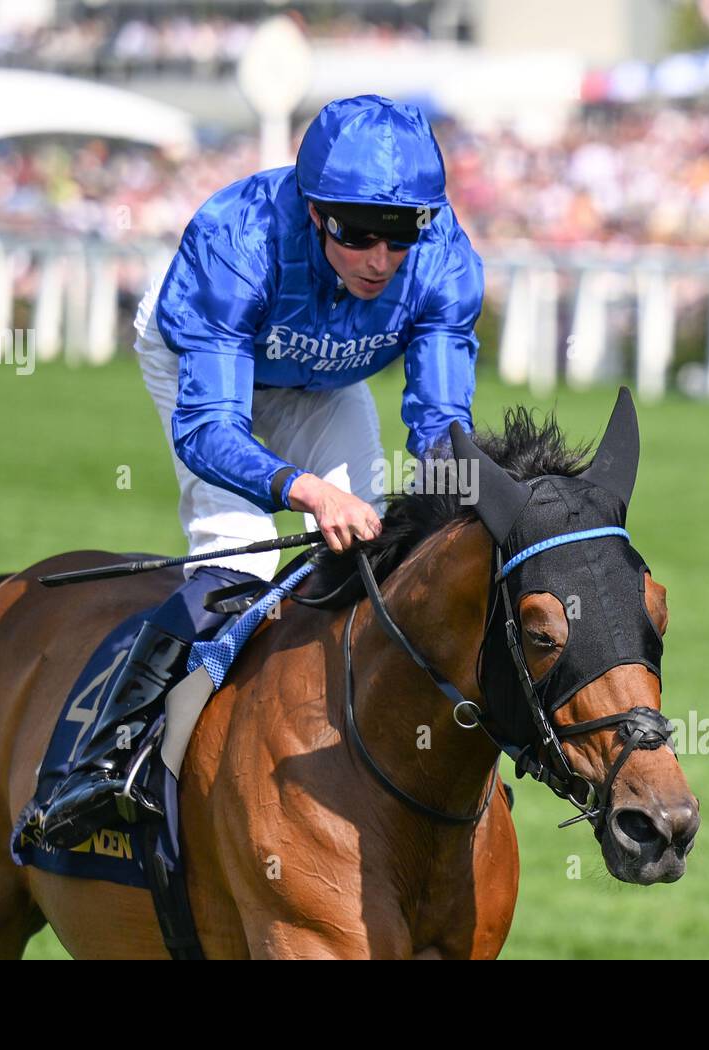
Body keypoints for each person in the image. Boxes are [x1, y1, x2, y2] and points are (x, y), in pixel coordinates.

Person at [40, 94, 485, 849]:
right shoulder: (234, 237)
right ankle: (111, 760)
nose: (380, 259)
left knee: (376, 560)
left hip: (320, 380)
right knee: (233, 560)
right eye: (358, 235)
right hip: (208, 371)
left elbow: (441, 427)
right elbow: (210, 430)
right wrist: (304, 489)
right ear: (315, 214)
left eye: (400, 235)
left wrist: (470, 501)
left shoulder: (443, 260)